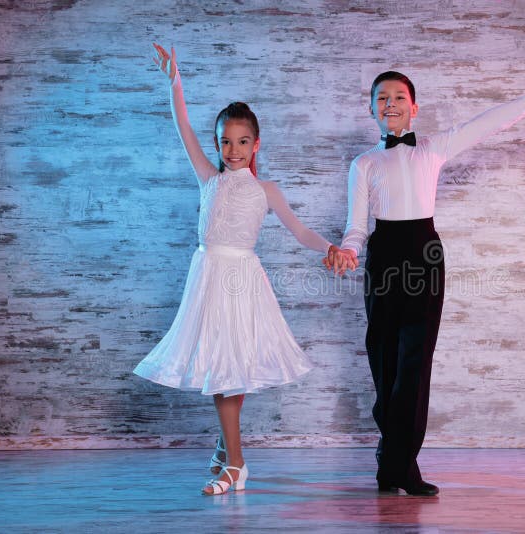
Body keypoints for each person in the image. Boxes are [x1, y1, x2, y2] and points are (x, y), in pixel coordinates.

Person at [325, 71, 525, 496]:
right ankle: (391, 457)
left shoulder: (432, 148)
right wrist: (349, 250)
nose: (390, 103)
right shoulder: (364, 164)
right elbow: (356, 227)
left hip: (425, 256)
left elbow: (487, 122)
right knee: (384, 361)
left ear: (414, 107)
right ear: (371, 108)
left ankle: (399, 465)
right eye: (381, 98)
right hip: (385, 258)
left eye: (398, 97)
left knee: (416, 361)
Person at [134, 44, 339, 496]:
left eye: (243, 141)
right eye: (226, 141)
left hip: (241, 282)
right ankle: (228, 453)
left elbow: (300, 231)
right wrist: (175, 81)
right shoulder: (208, 178)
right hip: (207, 279)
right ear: (217, 144)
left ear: (257, 144)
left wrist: (332, 248)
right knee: (221, 368)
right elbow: (183, 126)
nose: (233, 150)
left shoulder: (265, 189)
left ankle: (236, 464)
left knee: (230, 370)